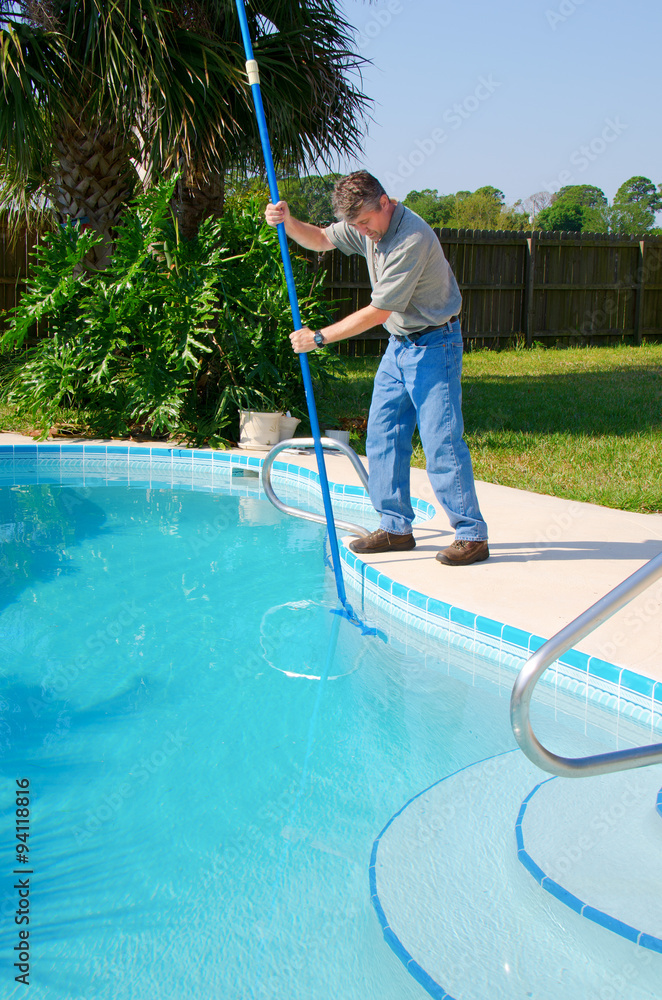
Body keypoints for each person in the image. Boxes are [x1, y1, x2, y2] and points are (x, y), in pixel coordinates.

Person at [264, 170, 488, 566]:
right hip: (399, 345)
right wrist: (287, 220)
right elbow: (319, 239)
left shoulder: (411, 239)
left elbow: (378, 310)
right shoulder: (368, 226)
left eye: (366, 221)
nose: (362, 231)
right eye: (356, 224)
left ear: (385, 202)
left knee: (441, 441)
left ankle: (471, 534)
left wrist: (319, 337)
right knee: (382, 436)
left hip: (436, 343)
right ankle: (396, 528)